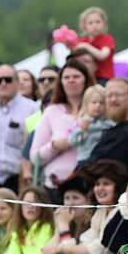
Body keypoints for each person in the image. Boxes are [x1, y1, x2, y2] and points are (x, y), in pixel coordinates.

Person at [31, 59, 91, 197]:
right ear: (61, 82)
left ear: (86, 80)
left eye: (76, 77)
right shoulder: (51, 111)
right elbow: (35, 157)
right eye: (66, 77)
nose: (71, 80)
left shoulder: (96, 111)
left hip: (87, 187)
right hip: (54, 187)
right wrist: (55, 146)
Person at [0, 64, 39, 191]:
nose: (3, 84)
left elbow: (37, 144)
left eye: (8, 79)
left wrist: (29, 176)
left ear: (17, 82)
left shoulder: (33, 109)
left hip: (21, 180)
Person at [81, 78, 128, 179]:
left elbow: (92, 165)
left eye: (118, 95)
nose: (113, 99)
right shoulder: (110, 129)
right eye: (109, 95)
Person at [74, 7, 116, 84]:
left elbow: (102, 56)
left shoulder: (107, 39)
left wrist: (87, 46)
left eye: (98, 22)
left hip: (104, 78)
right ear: (84, 26)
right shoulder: (82, 41)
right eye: (90, 23)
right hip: (86, 77)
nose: (95, 25)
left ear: (104, 24)